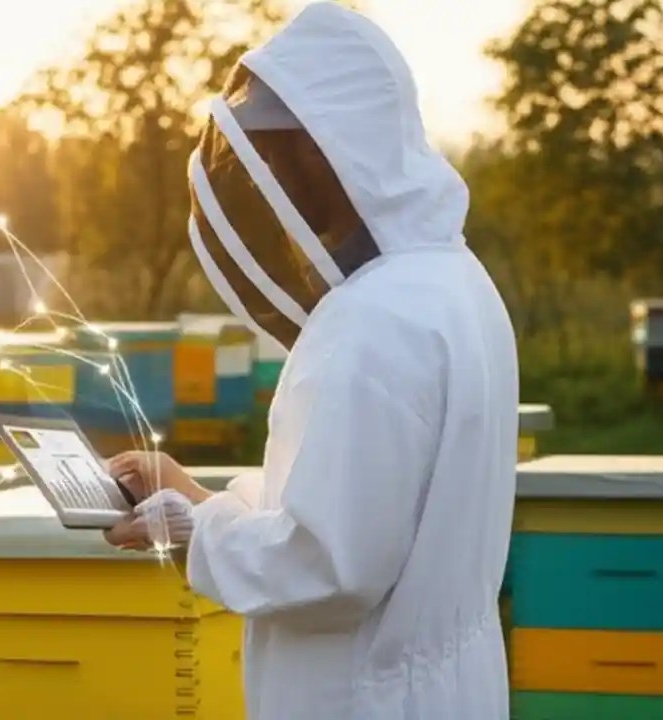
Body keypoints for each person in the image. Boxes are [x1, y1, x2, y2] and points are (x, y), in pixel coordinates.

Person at [103, 3, 519, 719]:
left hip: (364, 699)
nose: (272, 181)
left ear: (326, 148)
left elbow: (331, 564)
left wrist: (192, 529)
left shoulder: (375, 318)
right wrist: (195, 497)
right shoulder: (454, 281)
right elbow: (363, 499)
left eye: (277, 154)